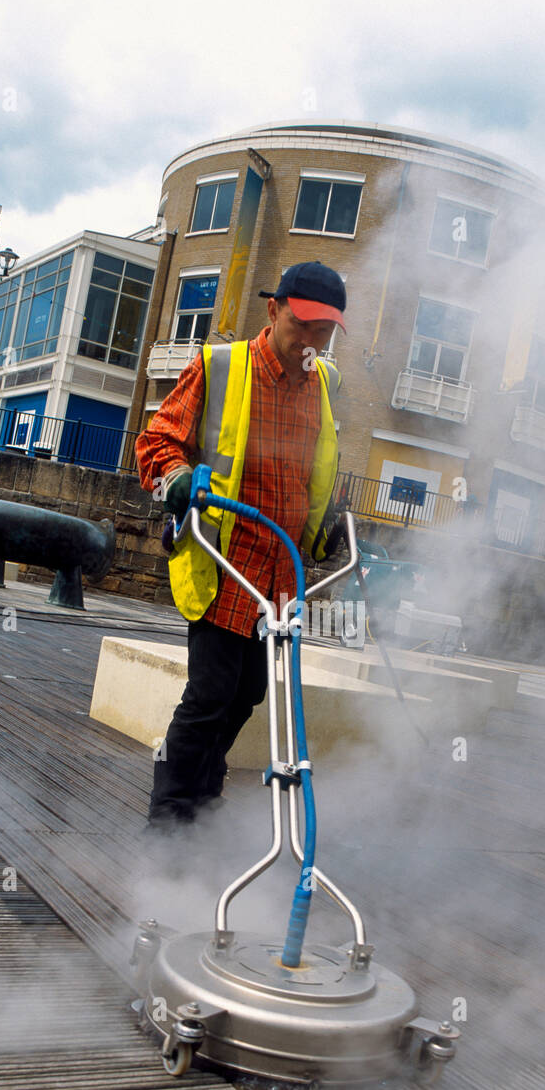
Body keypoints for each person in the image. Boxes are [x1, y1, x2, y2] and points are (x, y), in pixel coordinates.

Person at [135, 261, 346, 828]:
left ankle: (205, 793)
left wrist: (327, 524)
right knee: (210, 692)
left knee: (249, 691)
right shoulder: (221, 366)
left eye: (324, 332)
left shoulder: (323, 384)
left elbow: (318, 468)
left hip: (278, 570)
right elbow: (155, 443)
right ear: (273, 309)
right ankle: (169, 814)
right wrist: (175, 477)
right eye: (302, 325)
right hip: (223, 559)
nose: (311, 342)